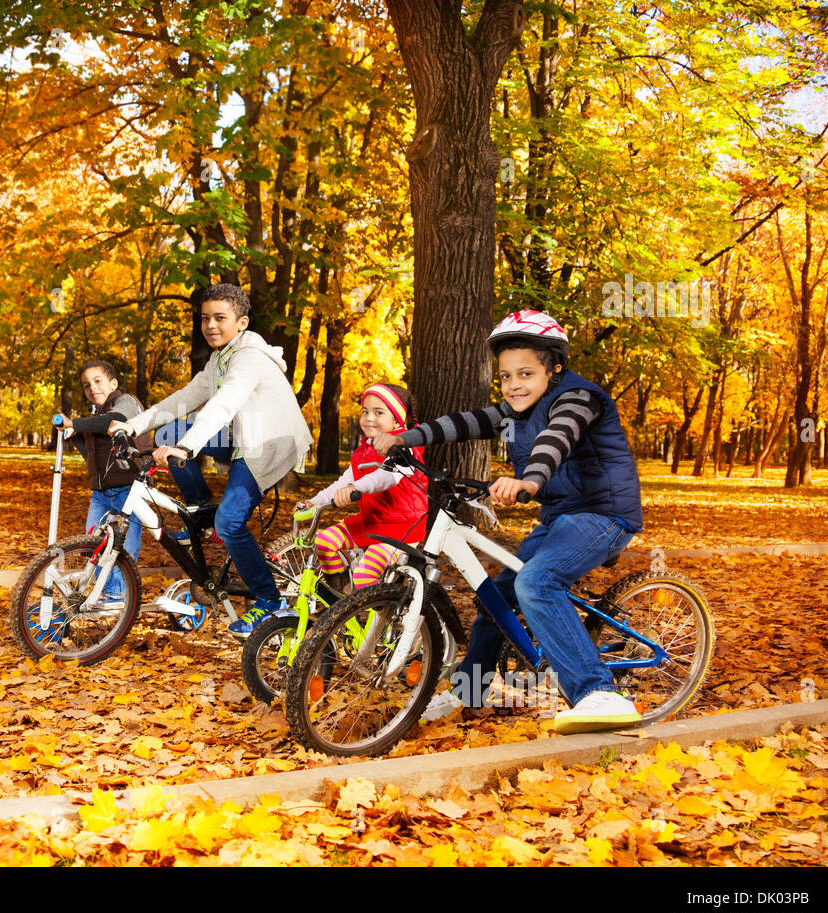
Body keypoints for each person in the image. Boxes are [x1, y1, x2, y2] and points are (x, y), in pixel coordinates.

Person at [373, 309, 645, 734]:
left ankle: (598, 693)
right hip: (560, 517)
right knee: (494, 598)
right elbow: (464, 423)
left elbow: (558, 438)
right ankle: (469, 691)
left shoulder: (578, 398)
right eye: (505, 376)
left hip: (603, 515)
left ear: (554, 369)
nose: (514, 385)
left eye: (526, 374)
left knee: (535, 582)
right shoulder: (513, 412)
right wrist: (404, 438)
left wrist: (529, 479)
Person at [111, 284, 313, 636]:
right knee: (167, 433)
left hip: (268, 442)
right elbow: (182, 399)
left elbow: (223, 405)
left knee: (231, 522)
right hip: (242, 436)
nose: (211, 325)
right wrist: (132, 424)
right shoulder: (219, 359)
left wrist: (187, 448)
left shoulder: (249, 357)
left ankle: (269, 600)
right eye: (205, 318)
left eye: (220, 318)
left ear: (242, 323)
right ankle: (202, 512)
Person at [296, 383, 430, 592]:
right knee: (324, 542)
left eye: (378, 412)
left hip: (401, 528)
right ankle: (340, 595)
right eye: (365, 411)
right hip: (372, 520)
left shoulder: (405, 446)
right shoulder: (364, 448)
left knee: (365, 576)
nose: (369, 418)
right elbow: (343, 481)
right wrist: (314, 501)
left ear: (397, 420)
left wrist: (355, 488)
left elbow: (388, 475)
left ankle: (376, 617)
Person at [56, 359, 146, 608]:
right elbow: (93, 459)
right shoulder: (95, 418)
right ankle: (114, 596)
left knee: (123, 551)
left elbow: (114, 421)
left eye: (98, 381)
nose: (92, 388)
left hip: (131, 490)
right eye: (86, 385)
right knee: (93, 549)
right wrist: (77, 437)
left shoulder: (125, 402)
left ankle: (117, 598)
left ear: (113, 383)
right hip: (101, 495)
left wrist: (74, 422)